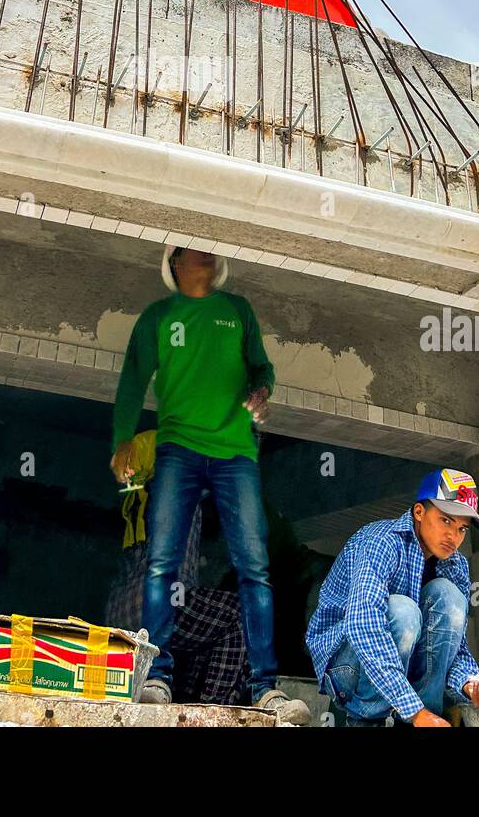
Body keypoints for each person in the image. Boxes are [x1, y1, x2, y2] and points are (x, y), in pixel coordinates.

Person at [110, 246, 310, 724]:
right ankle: (156, 677)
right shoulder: (158, 317)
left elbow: (262, 369)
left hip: (236, 453)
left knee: (255, 570)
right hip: (177, 448)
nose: (206, 257)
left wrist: (261, 393)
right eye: (195, 251)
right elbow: (132, 381)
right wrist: (121, 441)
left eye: (210, 252)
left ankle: (265, 690)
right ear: (175, 262)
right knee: (164, 563)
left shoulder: (237, 310)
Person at [306, 468, 479, 727]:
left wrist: (471, 683)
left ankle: (423, 720)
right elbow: (363, 626)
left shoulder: (455, 566)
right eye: (445, 520)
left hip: (404, 682)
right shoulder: (381, 542)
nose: (453, 536)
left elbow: (454, 648)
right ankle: (369, 721)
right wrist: (414, 711)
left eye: (462, 528)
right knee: (403, 611)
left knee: (448, 596)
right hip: (347, 671)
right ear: (419, 512)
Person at [106, 431, 249, 706]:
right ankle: (211, 710)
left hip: (120, 611)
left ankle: (177, 698)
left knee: (204, 636)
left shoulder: (137, 492)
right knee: (240, 614)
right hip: (157, 603)